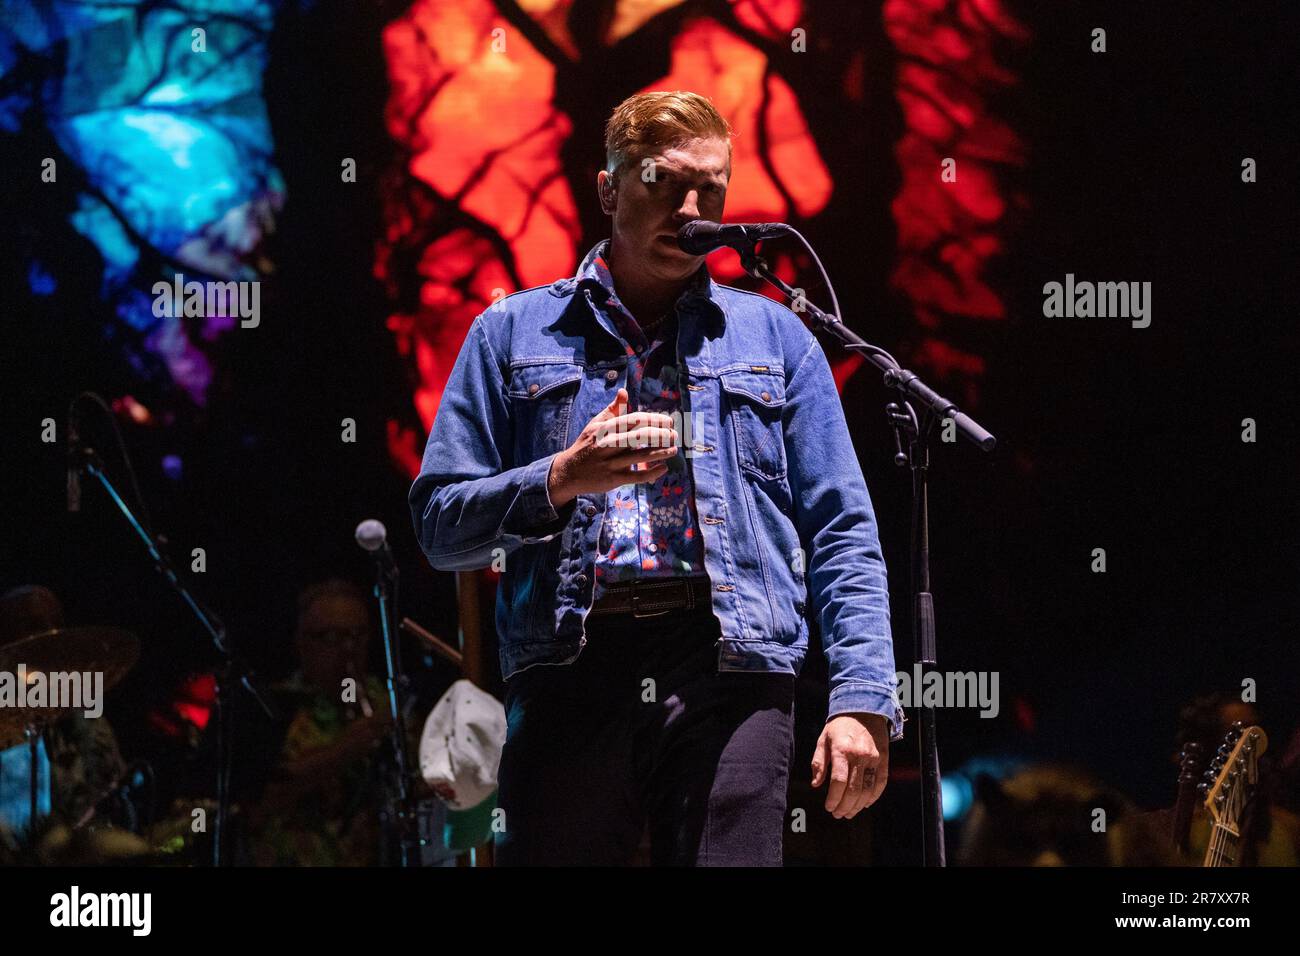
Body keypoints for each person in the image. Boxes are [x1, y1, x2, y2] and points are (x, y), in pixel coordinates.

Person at [409, 91, 902, 865]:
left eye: (711, 187)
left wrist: (863, 697)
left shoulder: (778, 336)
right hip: (572, 663)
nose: (693, 206)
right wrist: (560, 477)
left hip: (731, 662)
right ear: (607, 189)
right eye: (662, 182)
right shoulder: (510, 333)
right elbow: (440, 525)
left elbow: (843, 529)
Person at [245, 578, 395, 866]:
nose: (347, 649)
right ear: (302, 643)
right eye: (330, 637)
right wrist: (345, 750)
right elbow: (256, 805)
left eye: (357, 635)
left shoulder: (388, 703)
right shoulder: (276, 708)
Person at [0, 585, 126, 846]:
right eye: (33, 626)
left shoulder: (79, 702)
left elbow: (110, 781)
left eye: (54, 625)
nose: (49, 635)